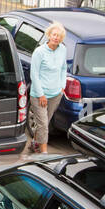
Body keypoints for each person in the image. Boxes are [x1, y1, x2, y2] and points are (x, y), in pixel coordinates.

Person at [27, 23, 68, 155]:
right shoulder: (39, 52)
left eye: (59, 36)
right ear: (49, 35)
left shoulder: (62, 49)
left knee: (44, 123)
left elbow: (63, 68)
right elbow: (34, 74)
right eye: (54, 35)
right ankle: (44, 153)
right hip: (40, 95)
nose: (56, 37)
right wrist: (41, 95)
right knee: (44, 125)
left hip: (56, 94)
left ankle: (34, 143)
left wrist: (63, 86)